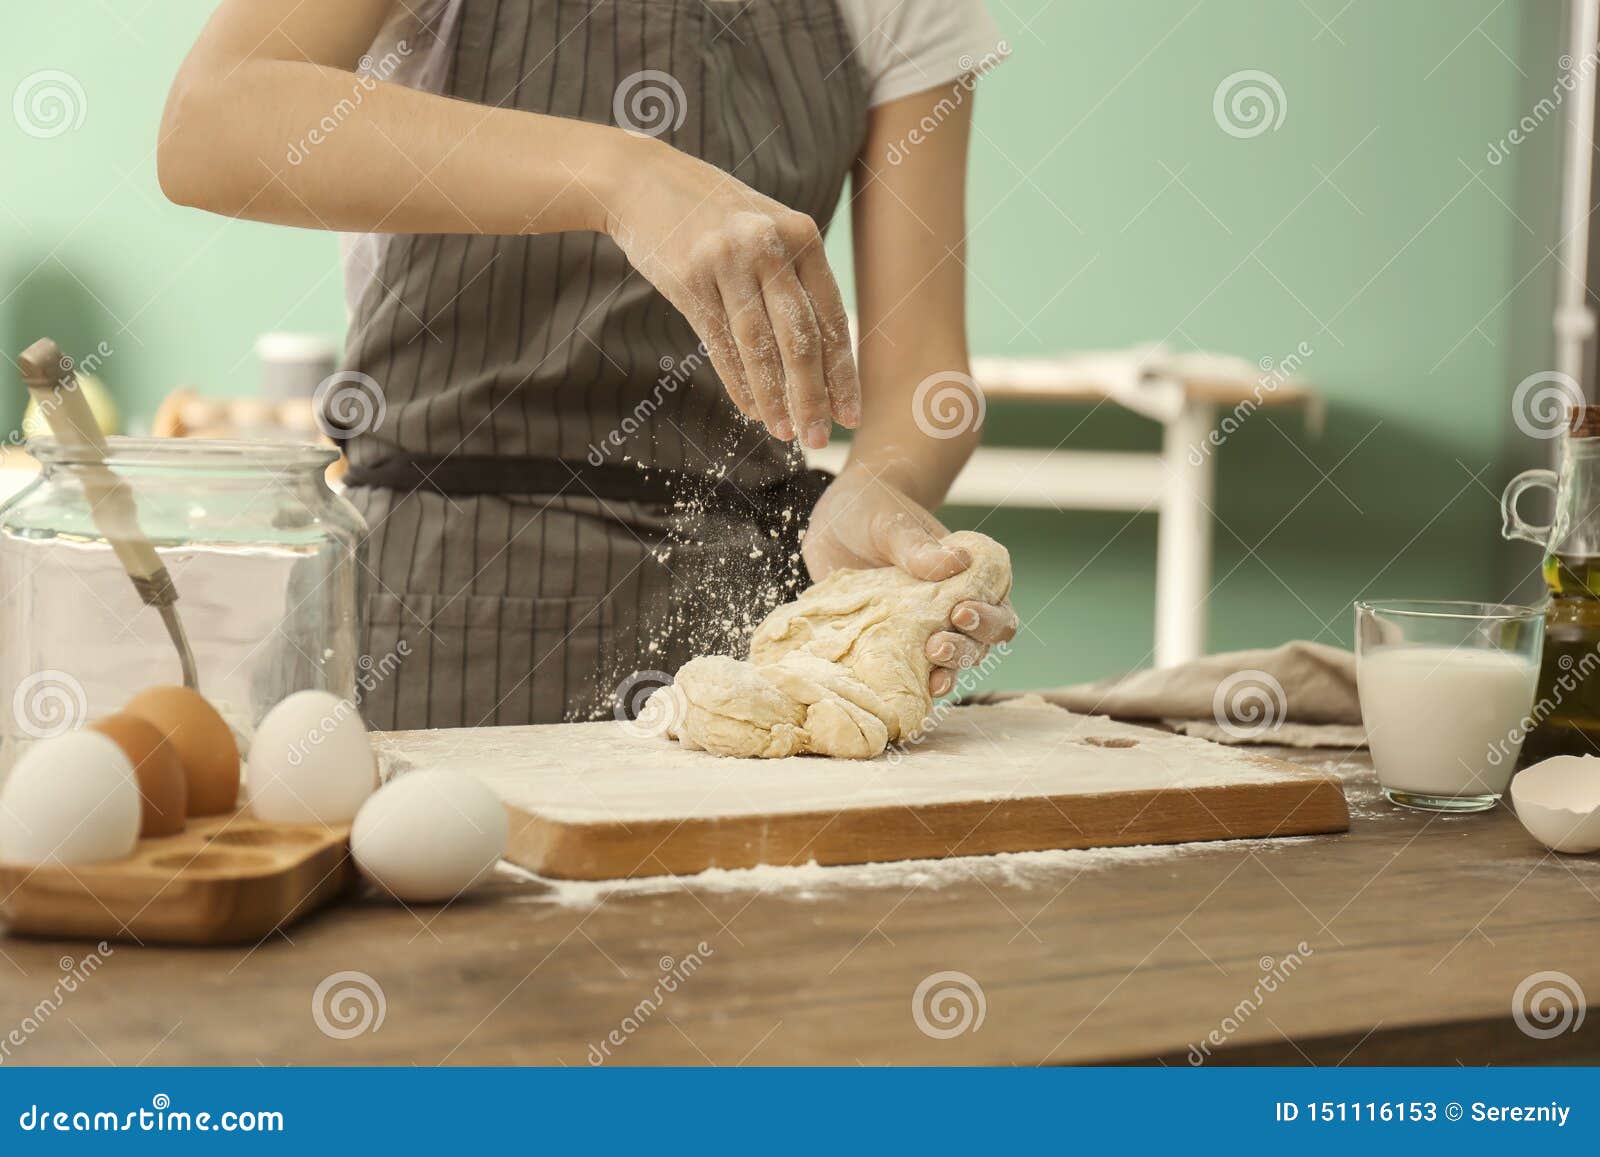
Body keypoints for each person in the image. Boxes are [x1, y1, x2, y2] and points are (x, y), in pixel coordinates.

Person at [159, 0, 1019, 729]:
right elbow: (211, 121)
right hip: (429, 614)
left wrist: (875, 490)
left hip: (741, 618)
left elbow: (926, 380)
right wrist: (622, 176)